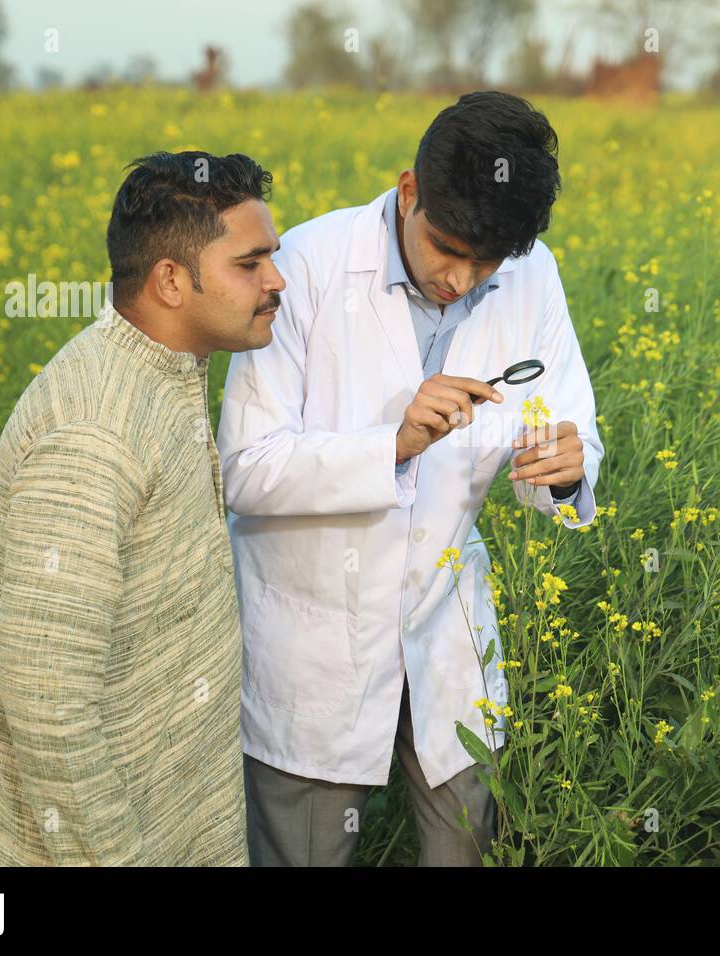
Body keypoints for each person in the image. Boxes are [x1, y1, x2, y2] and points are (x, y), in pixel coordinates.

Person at [218, 91, 604, 866]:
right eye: (448, 247)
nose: (461, 279)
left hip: (448, 633)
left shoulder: (533, 276)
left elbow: (563, 432)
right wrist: (390, 444)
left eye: (486, 263)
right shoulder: (304, 267)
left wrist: (565, 472)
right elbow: (246, 470)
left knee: (462, 851)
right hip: (313, 645)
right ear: (407, 192)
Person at [0, 151, 285, 865]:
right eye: (250, 264)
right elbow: (47, 699)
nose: (276, 281)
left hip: (162, 821)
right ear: (170, 280)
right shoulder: (96, 429)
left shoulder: (165, 375)